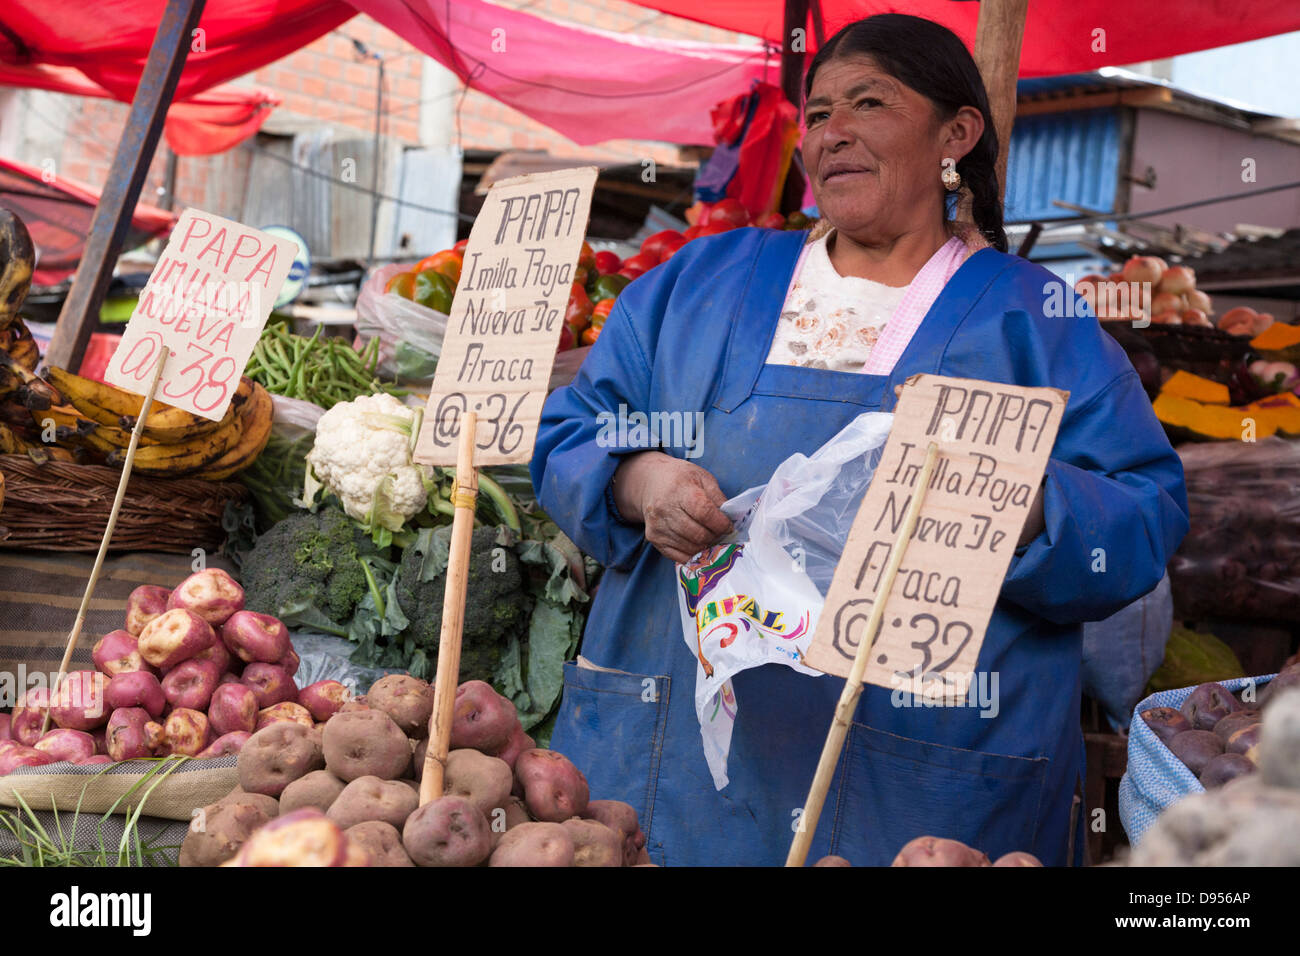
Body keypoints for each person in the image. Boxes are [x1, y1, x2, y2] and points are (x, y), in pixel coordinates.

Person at [530, 13, 1188, 866]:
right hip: (676, 769)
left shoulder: (1038, 321)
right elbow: (571, 432)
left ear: (957, 132)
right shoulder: (697, 282)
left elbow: (1145, 513)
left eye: (868, 103)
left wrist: (1018, 507)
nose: (830, 133)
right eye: (817, 113)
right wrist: (638, 479)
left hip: (922, 783)